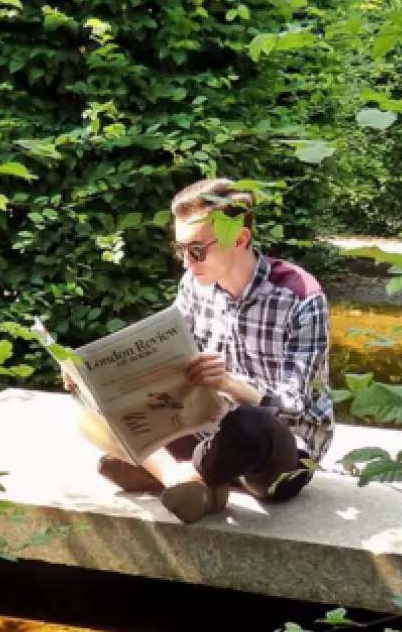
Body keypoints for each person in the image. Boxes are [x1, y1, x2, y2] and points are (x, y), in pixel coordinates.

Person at [95, 178, 335, 523]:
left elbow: (298, 401)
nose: (186, 263)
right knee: (109, 409)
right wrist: (103, 378)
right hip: (206, 425)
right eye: (180, 250)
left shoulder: (301, 296)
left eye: (197, 249)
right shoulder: (195, 283)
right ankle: (190, 479)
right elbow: (174, 361)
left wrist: (228, 383)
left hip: (279, 450)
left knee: (249, 423)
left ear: (239, 239)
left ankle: (169, 472)